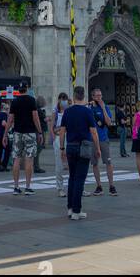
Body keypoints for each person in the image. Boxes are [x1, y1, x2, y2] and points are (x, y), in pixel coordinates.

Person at [61, 86, 102, 220]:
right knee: (80, 179)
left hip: (71, 147)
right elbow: (94, 132)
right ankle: (77, 211)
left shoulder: (67, 112)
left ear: (73, 96)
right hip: (84, 147)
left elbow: (62, 131)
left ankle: (70, 208)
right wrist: (97, 148)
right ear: (83, 96)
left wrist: (62, 148)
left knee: (72, 177)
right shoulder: (87, 112)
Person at [8, 88, 42, 195]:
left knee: (16, 159)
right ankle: (27, 187)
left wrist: (5, 133)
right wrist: (40, 132)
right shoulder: (31, 100)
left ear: (19, 89)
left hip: (17, 133)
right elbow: (35, 117)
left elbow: (10, 119)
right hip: (30, 133)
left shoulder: (15, 101)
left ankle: (16, 187)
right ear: (26, 89)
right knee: (29, 159)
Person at [89, 89, 118, 196]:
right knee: (95, 163)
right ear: (92, 97)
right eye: (97, 96)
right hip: (92, 139)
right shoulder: (89, 108)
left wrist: (103, 108)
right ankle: (99, 186)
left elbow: (109, 123)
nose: (99, 98)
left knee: (108, 162)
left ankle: (111, 186)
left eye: (100, 96)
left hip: (103, 138)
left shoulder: (104, 107)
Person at [51, 93, 70, 197]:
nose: (63, 101)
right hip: (58, 137)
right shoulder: (55, 111)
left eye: (65, 99)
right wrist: (53, 137)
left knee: (71, 163)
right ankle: (60, 187)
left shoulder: (69, 110)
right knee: (59, 164)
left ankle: (75, 187)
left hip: (69, 136)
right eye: (62, 99)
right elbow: (52, 126)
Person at [0, 102, 10, 171]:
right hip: (3, 135)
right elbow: (4, 123)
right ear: (6, 109)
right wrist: (9, 126)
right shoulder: (4, 114)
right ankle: (4, 165)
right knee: (8, 149)